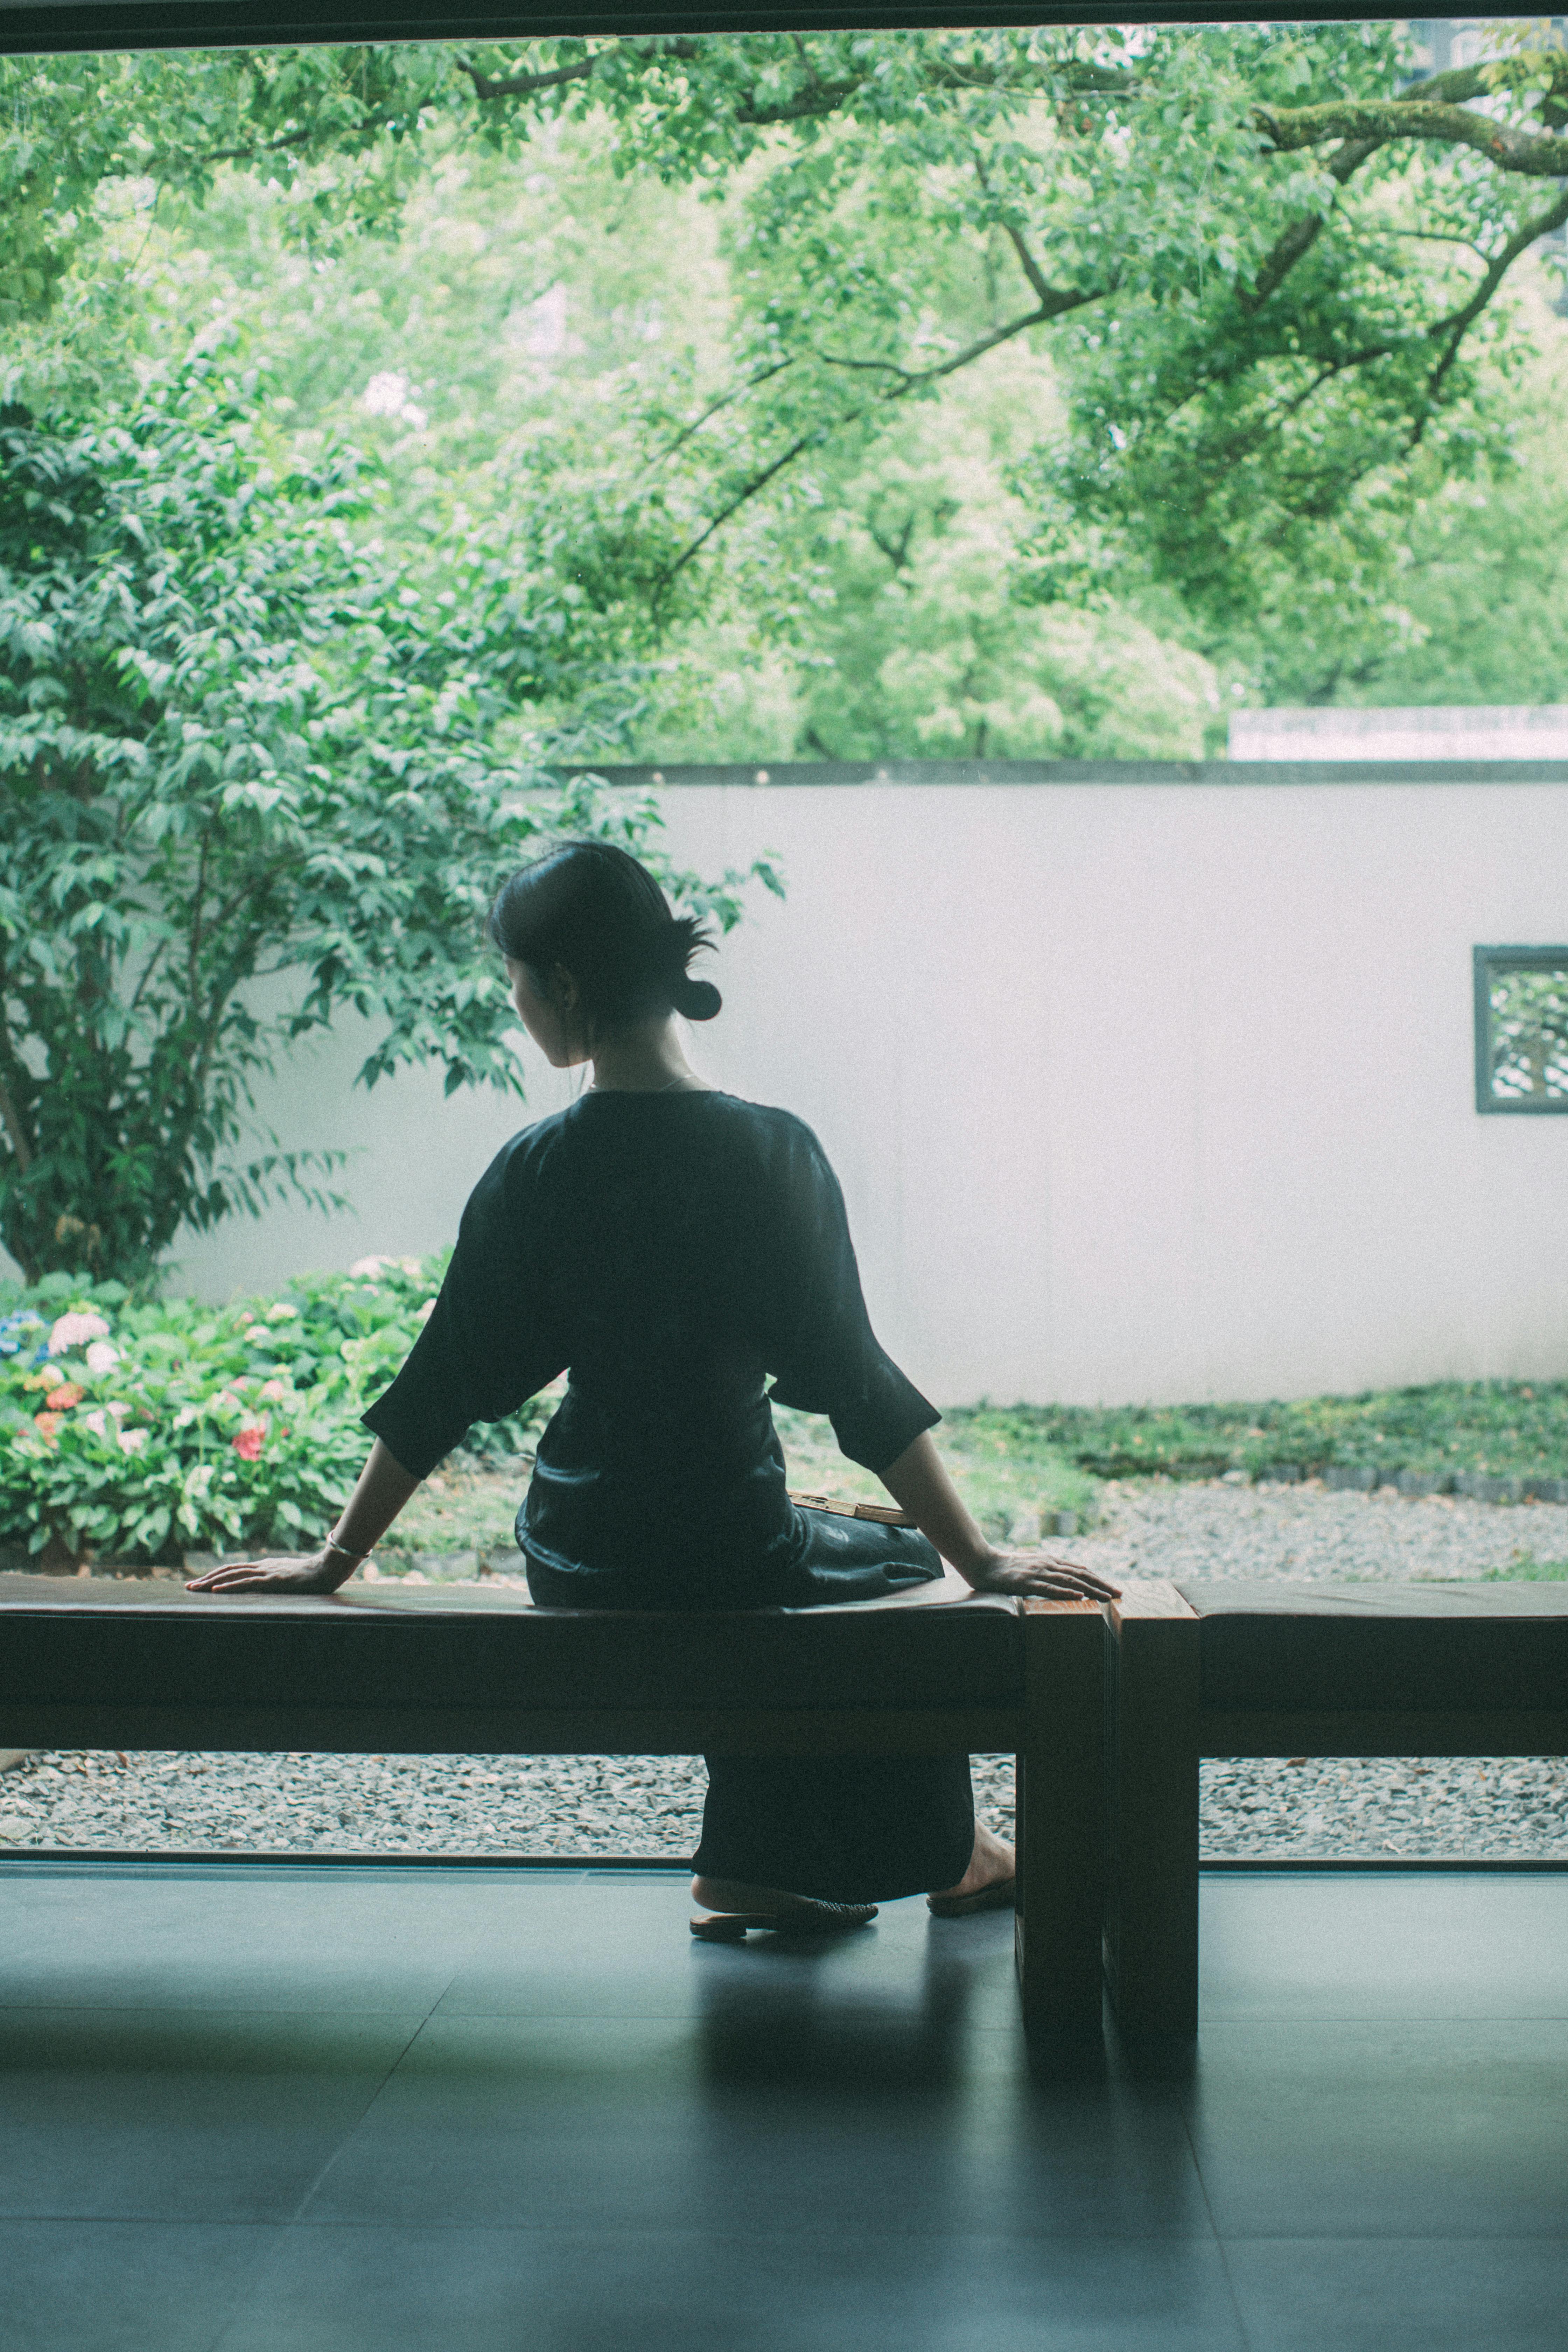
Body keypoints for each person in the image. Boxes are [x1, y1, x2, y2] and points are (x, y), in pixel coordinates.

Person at [188, 839, 1118, 1935]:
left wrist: (333, 1563)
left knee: (805, 1570)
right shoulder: (771, 1154)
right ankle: (941, 1856)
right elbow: (856, 1384)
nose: (517, 1005)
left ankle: (760, 1866)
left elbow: (440, 1387)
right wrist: (980, 1560)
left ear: (567, 987)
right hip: (730, 1541)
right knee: (897, 1567)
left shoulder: (536, 1167)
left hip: (577, 1551)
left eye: (518, 985)